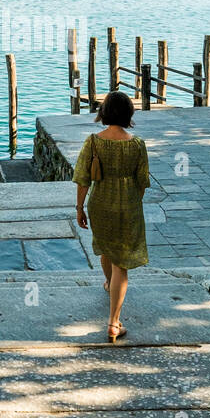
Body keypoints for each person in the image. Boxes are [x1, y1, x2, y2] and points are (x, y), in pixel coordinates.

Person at [73, 91, 149, 342]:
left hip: (100, 203)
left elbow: (83, 179)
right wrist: (132, 202)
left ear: (104, 113)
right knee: (121, 262)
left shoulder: (93, 142)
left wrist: (79, 208)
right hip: (127, 205)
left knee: (106, 248)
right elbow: (142, 182)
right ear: (129, 114)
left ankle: (109, 283)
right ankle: (114, 323)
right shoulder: (136, 144)